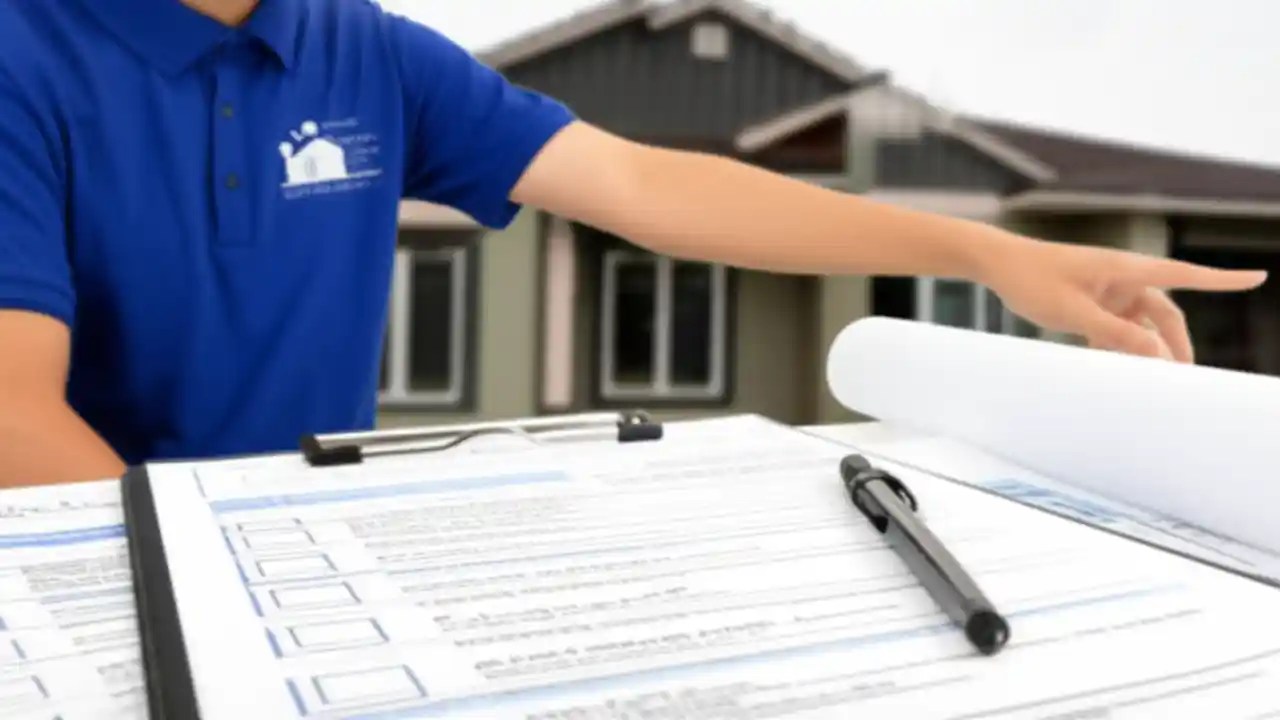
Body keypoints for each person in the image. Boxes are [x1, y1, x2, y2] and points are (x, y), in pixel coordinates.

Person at [0, 0, 1265, 488]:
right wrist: (236, 596)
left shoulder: (364, 50)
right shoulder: (20, 54)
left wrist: (979, 252)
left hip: (304, 559)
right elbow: (13, 422)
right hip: (93, 578)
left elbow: (641, 181)